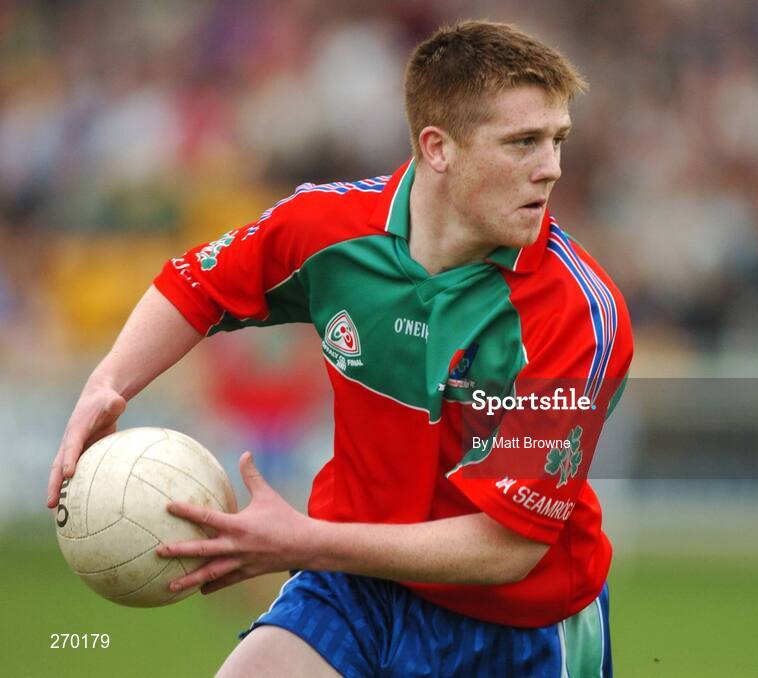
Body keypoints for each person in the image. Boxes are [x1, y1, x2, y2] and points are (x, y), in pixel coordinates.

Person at [47, 20, 632, 677]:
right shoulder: (327, 230)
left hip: (516, 625)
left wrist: (304, 540)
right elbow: (195, 286)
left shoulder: (576, 314)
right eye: (523, 142)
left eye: (557, 140)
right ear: (438, 148)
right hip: (354, 585)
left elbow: (507, 550)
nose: (550, 167)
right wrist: (108, 384)